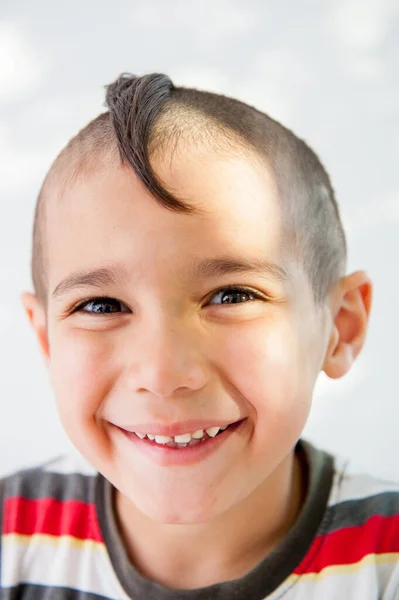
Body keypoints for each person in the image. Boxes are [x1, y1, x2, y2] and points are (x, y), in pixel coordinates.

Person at [1, 72, 398, 600]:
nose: (164, 375)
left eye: (232, 296)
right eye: (101, 306)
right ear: (47, 341)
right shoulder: (11, 538)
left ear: (340, 327)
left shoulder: (385, 563)